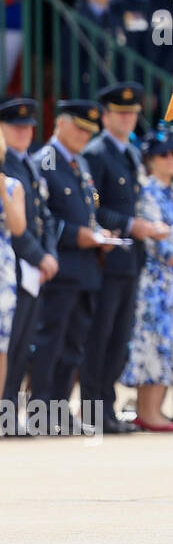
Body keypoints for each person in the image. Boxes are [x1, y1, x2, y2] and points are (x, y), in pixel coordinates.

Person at [81, 82, 168, 434]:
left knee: (118, 341)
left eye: (132, 113)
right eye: (121, 112)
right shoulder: (97, 153)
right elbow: (93, 210)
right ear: (105, 116)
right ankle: (94, 409)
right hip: (107, 259)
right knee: (100, 337)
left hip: (130, 260)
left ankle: (108, 407)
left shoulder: (130, 153)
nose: (129, 118)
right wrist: (134, 225)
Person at [28, 101, 114, 431]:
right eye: (78, 127)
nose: (83, 135)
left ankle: (60, 410)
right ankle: (41, 412)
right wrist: (79, 235)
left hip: (87, 270)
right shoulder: (45, 162)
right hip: (60, 268)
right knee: (51, 340)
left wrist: (98, 234)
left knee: (74, 345)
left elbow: (86, 212)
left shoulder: (79, 163)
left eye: (89, 131)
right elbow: (43, 220)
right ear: (60, 124)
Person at [121, 124, 173, 432]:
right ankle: (148, 410)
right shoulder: (148, 191)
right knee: (153, 342)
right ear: (151, 160)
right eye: (163, 155)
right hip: (157, 280)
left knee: (172, 343)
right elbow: (156, 241)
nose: (171, 160)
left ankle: (157, 409)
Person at [0, 98, 58, 414]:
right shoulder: (3, 163)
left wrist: (49, 254)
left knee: (21, 347)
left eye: (28, 127)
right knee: (8, 345)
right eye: (15, 127)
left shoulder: (29, 163)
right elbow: (15, 228)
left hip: (32, 269)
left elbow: (45, 216)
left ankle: (9, 411)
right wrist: (39, 257)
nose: (23, 133)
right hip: (14, 264)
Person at [0, 132, 26, 399]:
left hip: (2, 273)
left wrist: (2, 192)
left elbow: (18, 227)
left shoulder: (12, 186)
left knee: (0, 346)